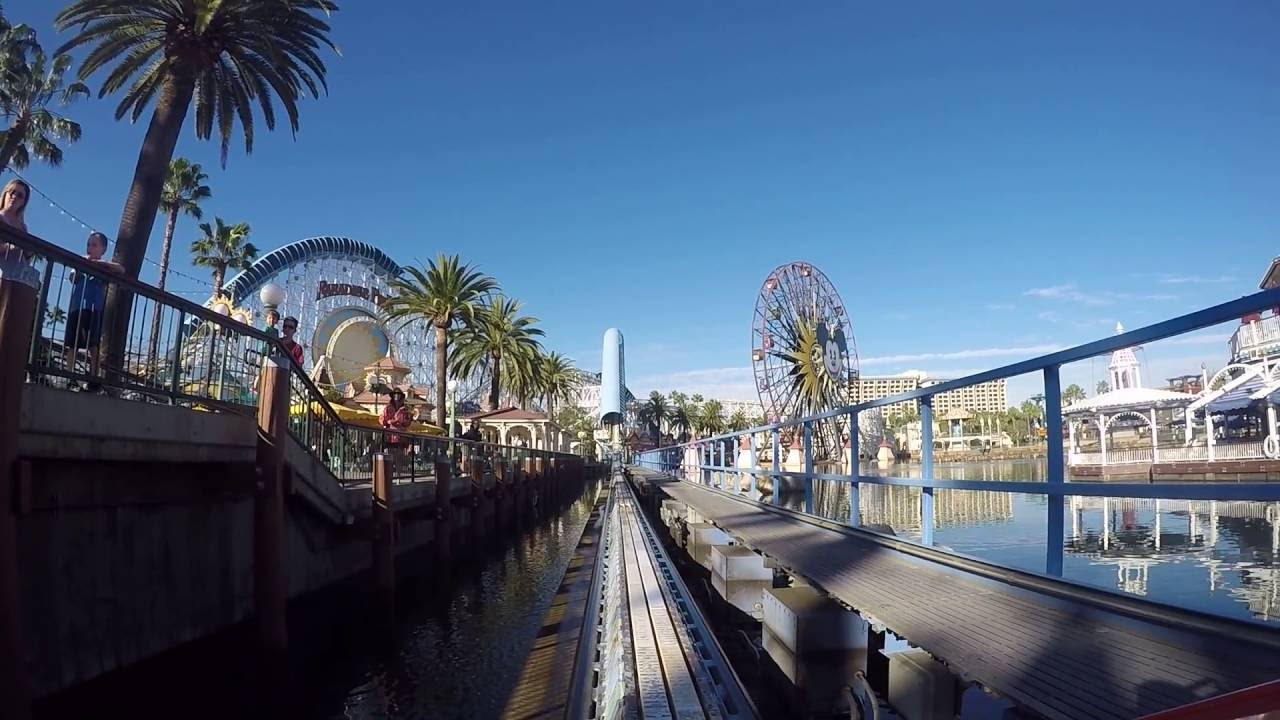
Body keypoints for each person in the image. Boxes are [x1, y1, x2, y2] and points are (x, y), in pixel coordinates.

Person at [63, 232, 123, 388]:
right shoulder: (80, 262)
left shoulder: (104, 267)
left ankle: (93, 379)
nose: (90, 248)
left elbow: (121, 270)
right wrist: (82, 265)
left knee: (93, 345)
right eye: (88, 244)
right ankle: (70, 377)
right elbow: (72, 278)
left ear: (102, 249)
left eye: (94, 245)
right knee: (73, 344)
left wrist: (101, 264)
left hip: (94, 309)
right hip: (77, 308)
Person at [0, 178, 30, 263]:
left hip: (16, 273)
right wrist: (10, 247)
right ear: (5, 194)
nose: (14, 197)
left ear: (23, 202)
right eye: (12, 192)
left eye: (20, 195)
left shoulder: (23, 227)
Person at [380, 390, 412, 457]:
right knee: (389, 457)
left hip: (401, 439)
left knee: (399, 458)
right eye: (395, 394)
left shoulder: (405, 410)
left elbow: (408, 423)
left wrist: (401, 422)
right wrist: (389, 422)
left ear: (401, 396)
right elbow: (382, 420)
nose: (396, 395)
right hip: (389, 438)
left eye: (398, 394)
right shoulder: (388, 408)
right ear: (392, 396)